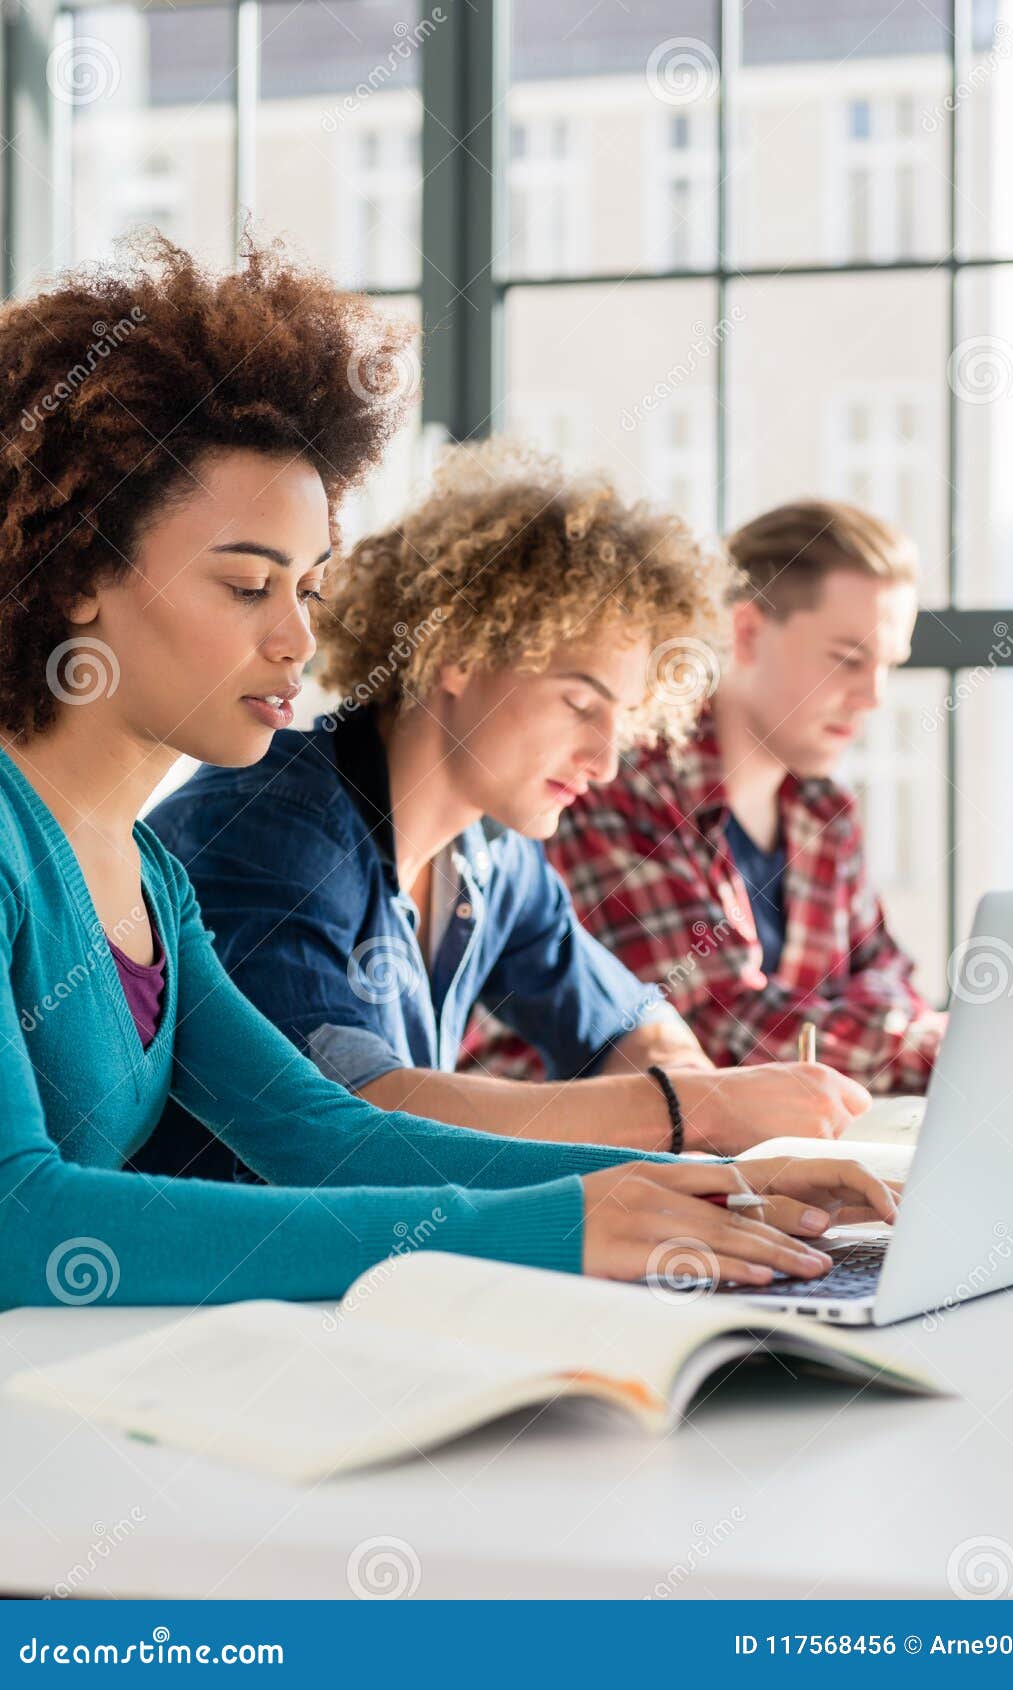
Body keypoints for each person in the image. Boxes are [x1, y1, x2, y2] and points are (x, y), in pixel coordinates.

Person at [0, 239, 895, 1308]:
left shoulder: (154, 881)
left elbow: (330, 1138)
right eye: (247, 587)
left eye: (312, 589)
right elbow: (23, 1223)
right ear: (78, 576)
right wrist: (553, 1227)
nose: (298, 638)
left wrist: (708, 1185)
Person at [148, 445, 869, 1163]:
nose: (606, 759)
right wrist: (690, 1109)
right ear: (460, 652)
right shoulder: (266, 825)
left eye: (625, 716)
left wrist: (688, 1088)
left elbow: (628, 1027)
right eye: (580, 703)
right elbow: (352, 1119)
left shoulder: (493, 856)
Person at [496, 499, 946, 1094]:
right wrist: (929, 1046)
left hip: (774, 1164)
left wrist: (906, 1032)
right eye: (847, 660)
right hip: (588, 1166)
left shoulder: (826, 813)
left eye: (888, 666)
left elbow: (886, 974)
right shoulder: (619, 781)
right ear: (748, 631)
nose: (873, 697)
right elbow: (715, 1031)